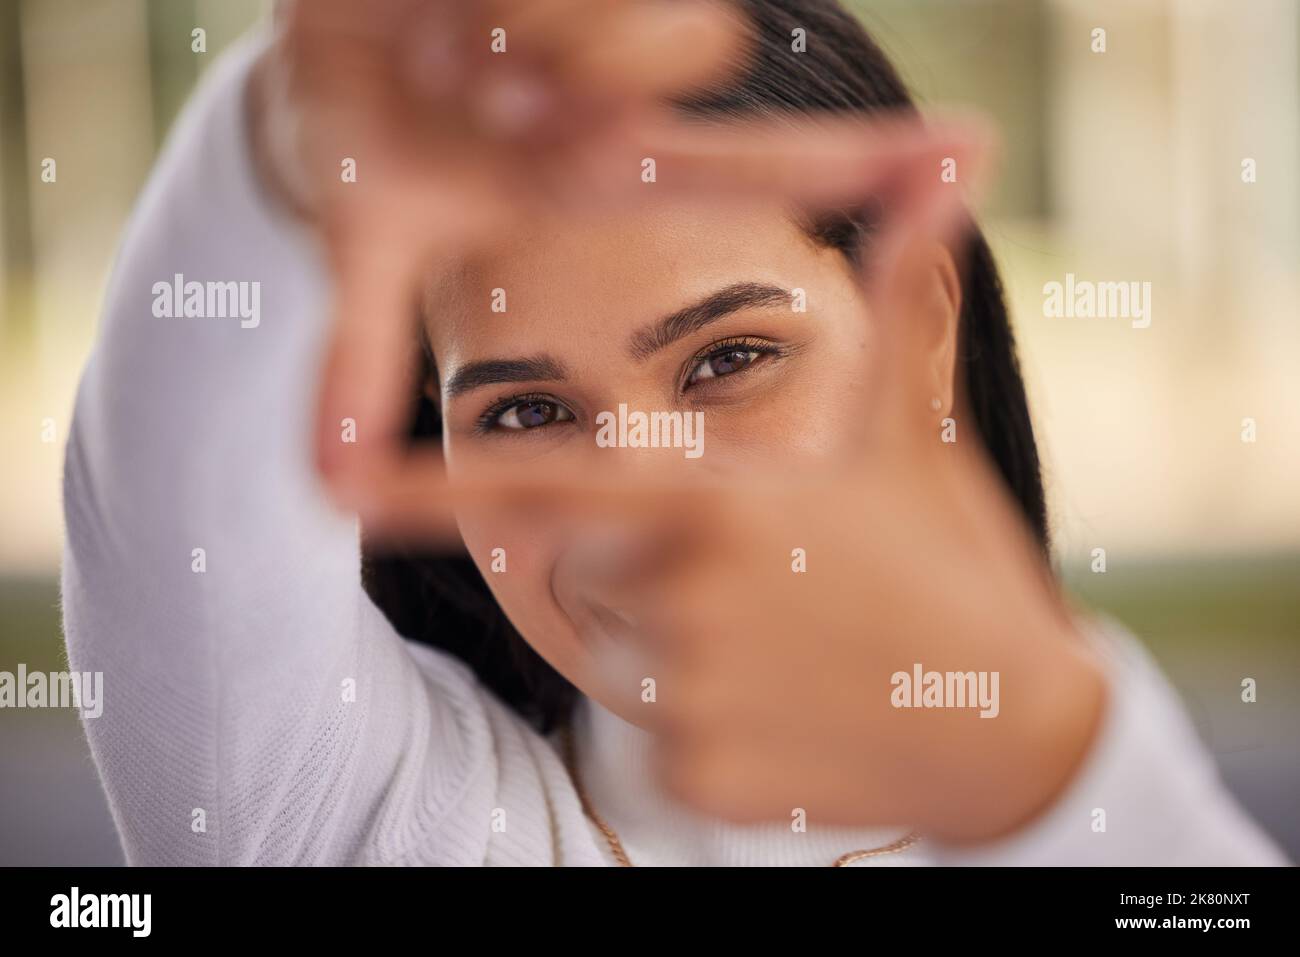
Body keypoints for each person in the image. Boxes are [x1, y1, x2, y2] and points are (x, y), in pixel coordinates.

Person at [62, 0, 1287, 865]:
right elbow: (172, 505)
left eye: (730, 359)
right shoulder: (372, 822)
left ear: (918, 335)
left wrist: (1042, 769)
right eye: (526, 413)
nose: (639, 497)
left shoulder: (1082, 786)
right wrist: (277, 145)